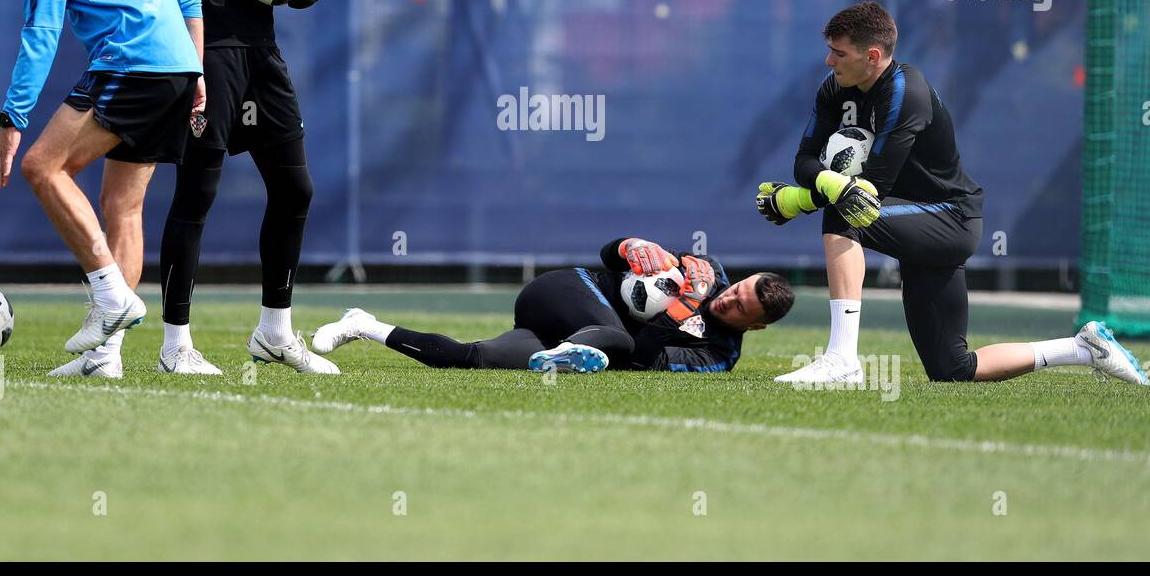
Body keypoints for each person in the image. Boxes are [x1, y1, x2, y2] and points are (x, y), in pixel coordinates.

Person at [756, 0, 1148, 386]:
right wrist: (822, 183)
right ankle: (1083, 348)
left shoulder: (905, 93)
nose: (829, 61)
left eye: (838, 53)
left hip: (950, 217)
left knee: (847, 212)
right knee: (952, 369)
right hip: (914, 218)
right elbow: (804, 161)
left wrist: (798, 200)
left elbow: (871, 189)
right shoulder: (833, 88)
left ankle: (842, 360)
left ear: (872, 55)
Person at [116, 0, 334, 376]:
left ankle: (275, 331)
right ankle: (175, 344)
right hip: (200, 50)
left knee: (296, 188)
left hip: (260, 49)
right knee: (198, 192)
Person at [0, 0, 205, 379]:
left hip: (130, 65)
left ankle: (111, 299)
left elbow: (41, 31)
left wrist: (13, 119)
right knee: (122, 207)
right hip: (173, 69)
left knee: (43, 167)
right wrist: (196, 67)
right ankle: (105, 358)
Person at [309, 238, 795, 373]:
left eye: (737, 307)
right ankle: (565, 357)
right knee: (617, 339)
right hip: (568, 289)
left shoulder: (718, 354)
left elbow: (646, 358)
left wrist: (677, 311)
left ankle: (364, 324)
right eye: (737, 288)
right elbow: (609, 256)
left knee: (473, 358)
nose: (727, 297)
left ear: (755, 328)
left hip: (565, 340)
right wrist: (630, 246)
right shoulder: (705, 270)